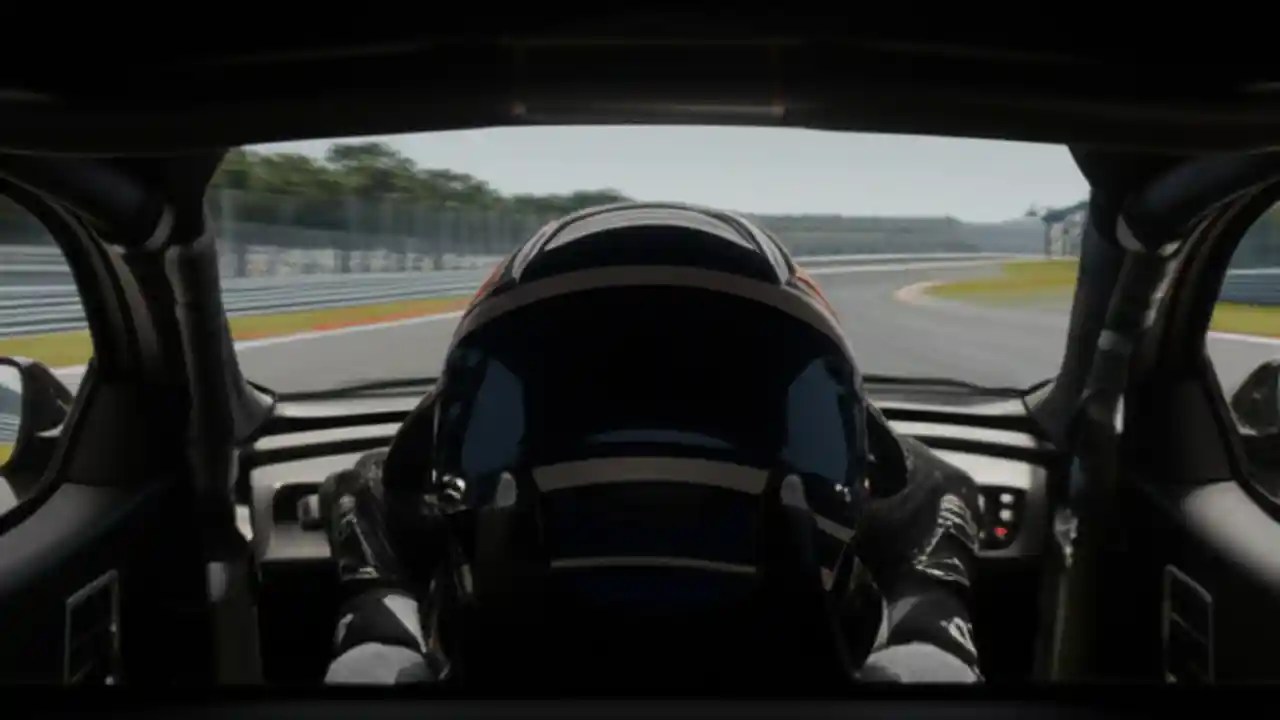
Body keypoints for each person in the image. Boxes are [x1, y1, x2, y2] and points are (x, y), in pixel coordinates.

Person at [318, 202, 984, 690]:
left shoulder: (386, 680)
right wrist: (932, 618)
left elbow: (373, 487)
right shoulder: (909, 682)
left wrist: (375, 617)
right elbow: (930, 489)